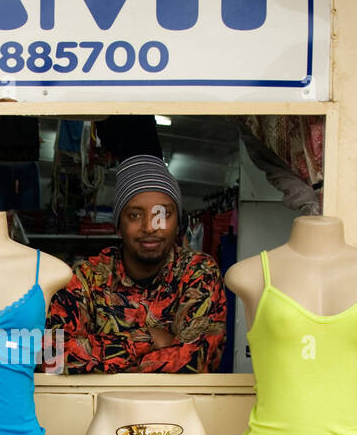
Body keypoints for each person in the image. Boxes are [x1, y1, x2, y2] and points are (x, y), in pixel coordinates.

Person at [46, 156, 227, 374]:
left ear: (177, 222)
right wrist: (147, 338)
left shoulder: (199, 273)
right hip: (93, 406)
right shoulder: (86, 277)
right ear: (118, 226)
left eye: (162, 214)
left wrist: (99, 363)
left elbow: (194, 362)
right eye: (134, 215)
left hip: (179, 406)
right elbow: (52, 357)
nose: (150, 227)